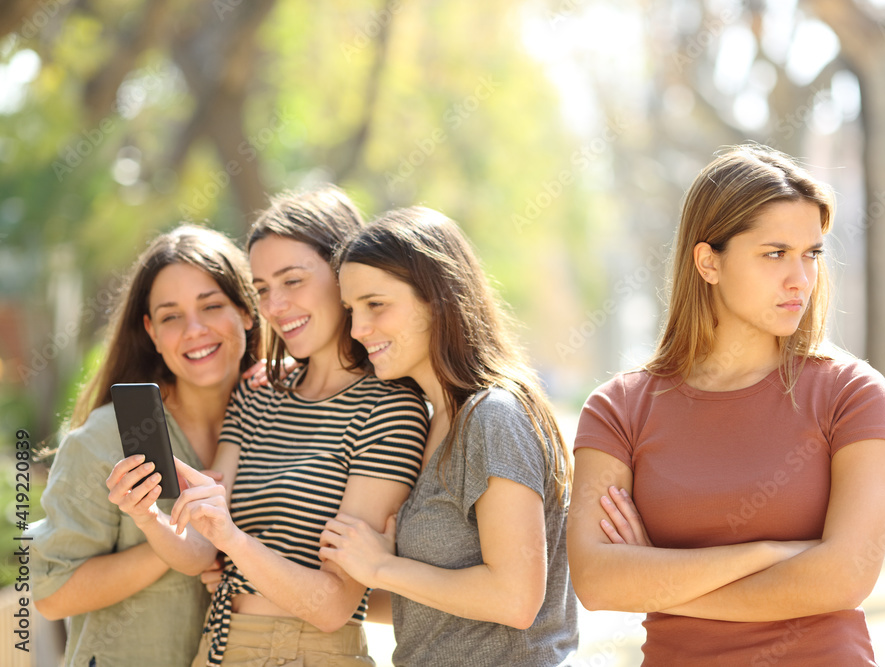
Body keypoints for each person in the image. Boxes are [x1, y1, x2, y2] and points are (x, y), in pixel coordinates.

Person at [567, 144, 885, 666]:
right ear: (708, 261)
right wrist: (768, 555)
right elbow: (595, 581)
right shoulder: (619, 409)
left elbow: (847, 576)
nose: (801, 279)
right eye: (775, 253)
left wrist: (658, 576)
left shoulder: (851, 394)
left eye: (811, 253)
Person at [106, 187, 429, 667]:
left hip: (306, 654)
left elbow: (334, 605)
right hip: (218, 646)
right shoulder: (258, 393)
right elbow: (200, 549)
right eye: (261, 289)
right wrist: (146, 516)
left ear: (345, 276)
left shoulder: (389, 409)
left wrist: (234, 542)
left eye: (292, 281)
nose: (275, 306)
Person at [318, 206, 579, 667]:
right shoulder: (433, 419)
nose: (358, 330)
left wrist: (381, 566)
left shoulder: (493, 415)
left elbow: (515, 599)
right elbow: (430, 610)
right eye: (352, 310)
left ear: (439, 298)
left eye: (376, 305)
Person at [28, 225, 262, 667]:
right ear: (152, 331)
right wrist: (183, 545)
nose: (194, 329)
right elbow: (51, 595)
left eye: (211, 306)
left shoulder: (280, 423)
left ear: (248, 311)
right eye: (172, 316)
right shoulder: (105, 439)